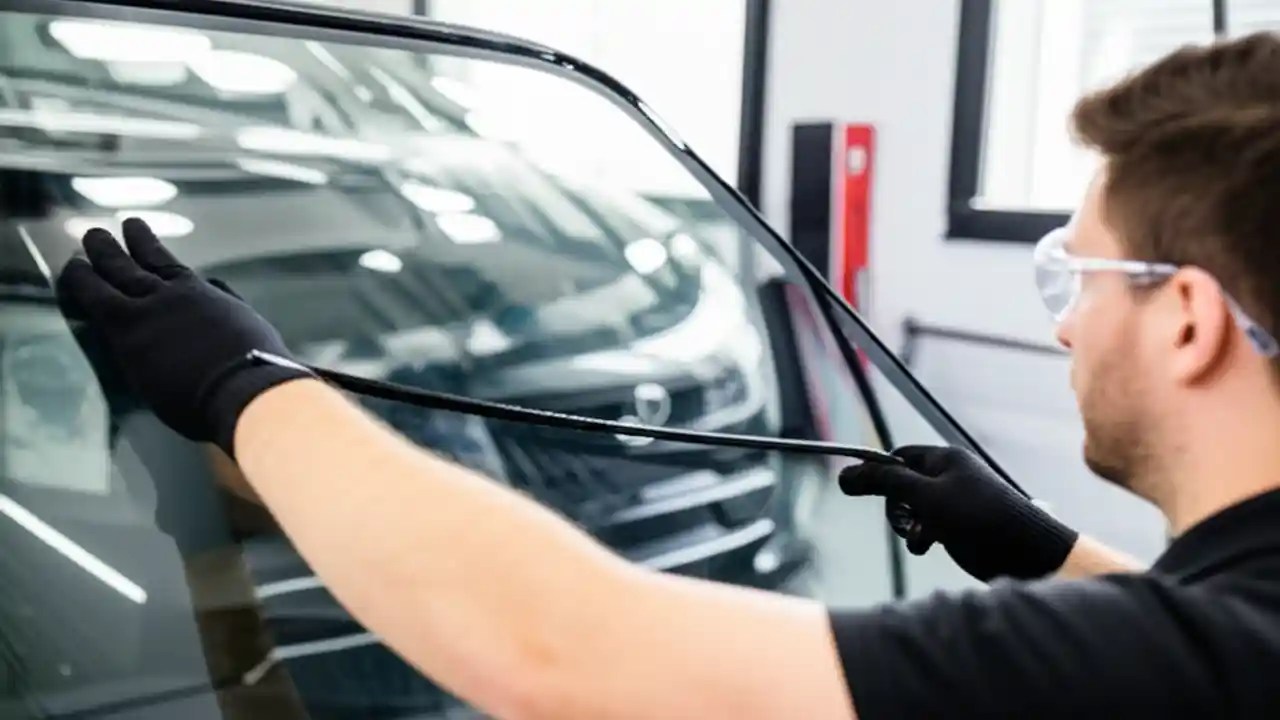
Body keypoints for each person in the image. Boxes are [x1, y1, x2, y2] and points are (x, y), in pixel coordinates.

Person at [55, 31, 1280, 719]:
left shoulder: (1182, 662)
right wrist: (1049, 551)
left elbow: (560, 652)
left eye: (1078, 281)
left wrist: (243, 388)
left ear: (1184, 320)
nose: (1065, 330)